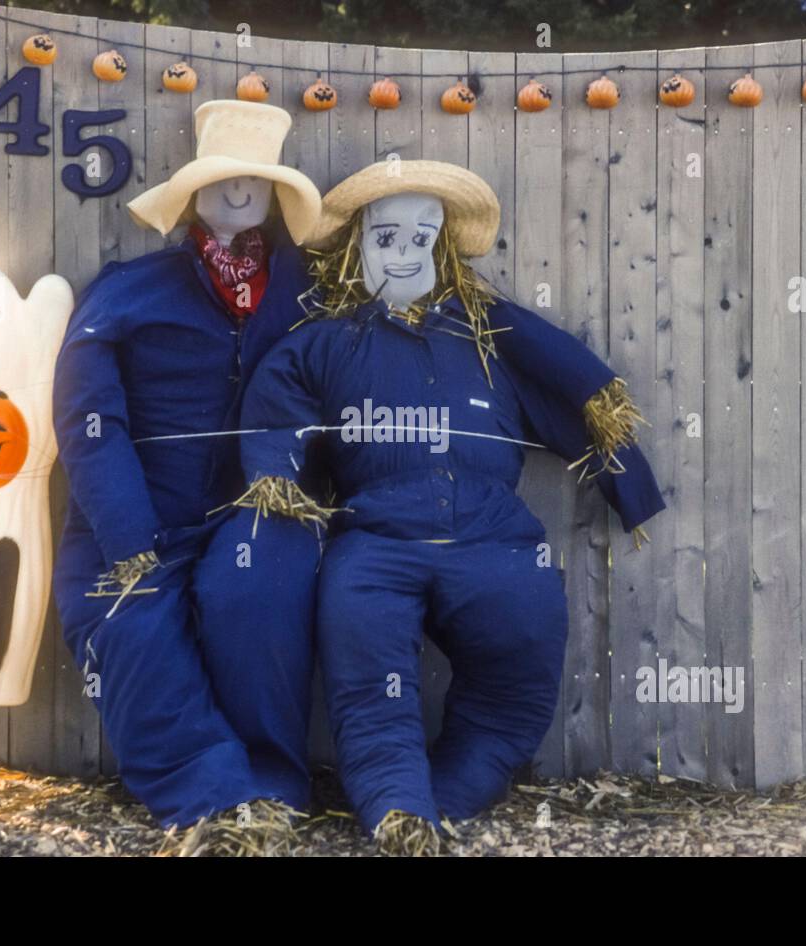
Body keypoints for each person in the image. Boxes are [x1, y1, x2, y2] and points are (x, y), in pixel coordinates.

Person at [235, 160, 666, 854]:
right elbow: (275, 407)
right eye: (386, 239)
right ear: (356, 248)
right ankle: (396, 808)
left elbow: (568, 407)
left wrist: (629, 484)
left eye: (420, 240)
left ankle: (441, 802)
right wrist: (276, 478)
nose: (403, 255)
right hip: (374, 537)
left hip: (495, 538)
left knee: (522, 659)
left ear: (441, 250)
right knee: (368, 667)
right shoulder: (327, 341)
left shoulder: (488, 341)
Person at [50, 100, 322, 855]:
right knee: (133, 624)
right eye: (224, 179)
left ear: (275, 199)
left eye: (256, 183)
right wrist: (129, 534)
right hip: (134, 515)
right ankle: (217, 801)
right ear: (195, 191)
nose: (239, 194)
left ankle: (269, 788)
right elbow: (86, 415)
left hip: (253, 511)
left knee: (260, 592)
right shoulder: (129, 291)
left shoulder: (306, 298)